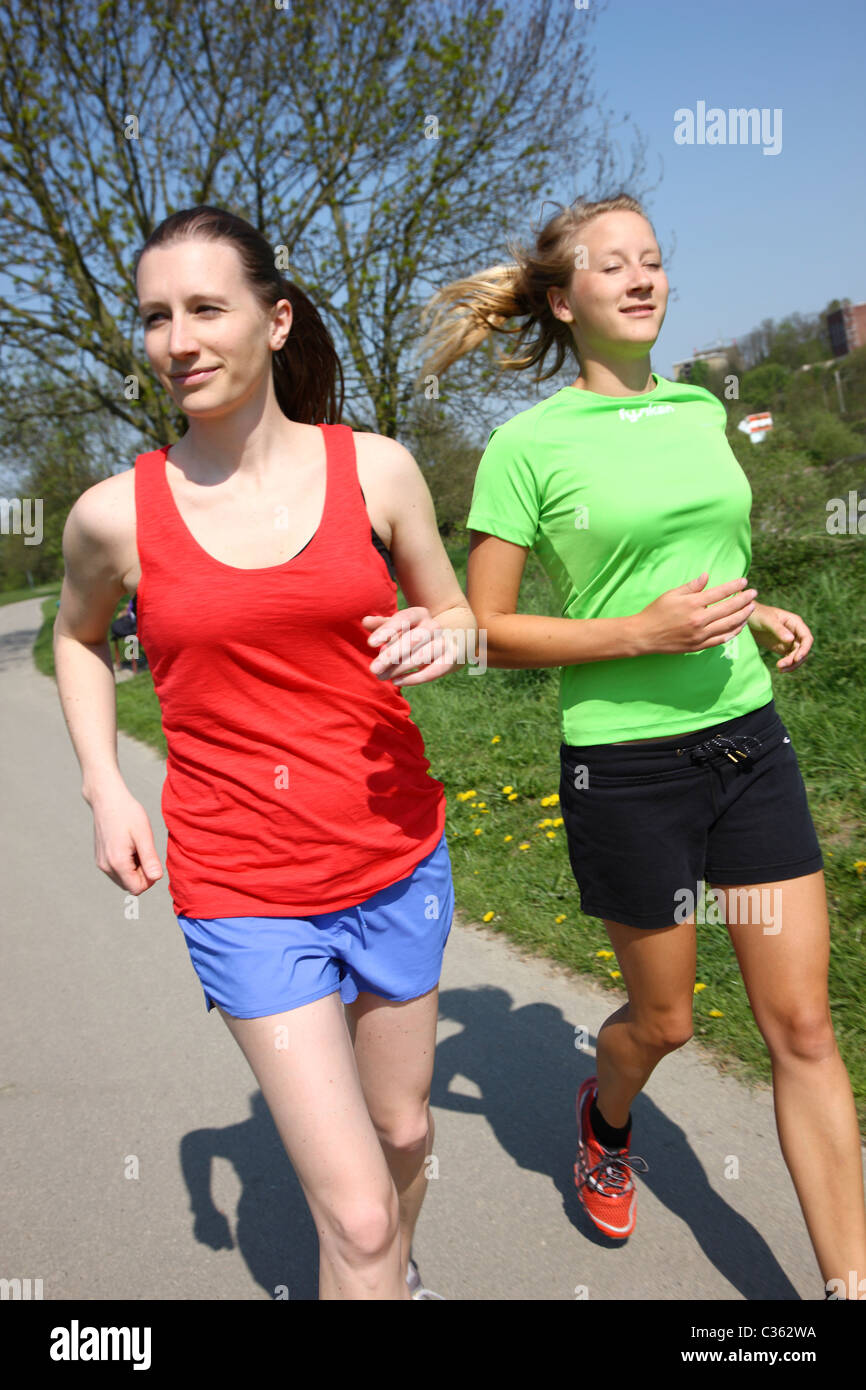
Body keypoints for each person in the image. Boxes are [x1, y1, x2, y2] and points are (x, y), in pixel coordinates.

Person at [415, 192, 866, 1299]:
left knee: (800, 1023)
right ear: (563, 301)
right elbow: (480, 630)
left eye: (652, 260)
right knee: (662, 1019)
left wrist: (744, 612)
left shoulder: (698, 410)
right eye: (611, 265)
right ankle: (602, 1113)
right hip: (624, 768)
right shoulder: (524, 446)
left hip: (745, 743)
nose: (640, 277)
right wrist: (636, 635)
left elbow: (688, 556)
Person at [53, 204, 476, 1301]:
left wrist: (447, 633)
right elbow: (76, 636)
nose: (176, 340)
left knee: (402, 1129)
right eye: (154, 316)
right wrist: (106, 785)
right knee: (356, 1213)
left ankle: (390, 1267)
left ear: (275, 319)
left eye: (204, 308)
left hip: (393, 853)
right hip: (243, 884)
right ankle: (376, 1260)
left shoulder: (378, 471)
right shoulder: (114, 517)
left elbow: (461, 613)